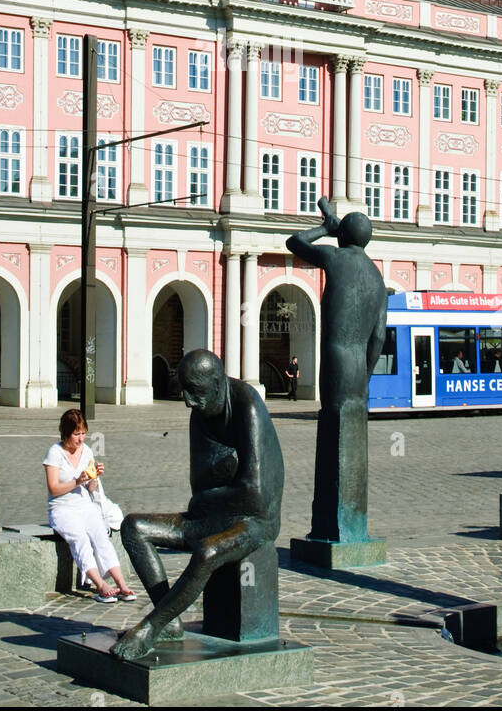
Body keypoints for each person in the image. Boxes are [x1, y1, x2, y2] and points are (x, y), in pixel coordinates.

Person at [112, 349, 284, 661]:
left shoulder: (247, 407)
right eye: (185, 393)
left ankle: (151, 627)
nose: (190, 402)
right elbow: (200, 483)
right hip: (213, 514)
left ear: (220, 384)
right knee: (133, 528)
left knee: (207, 552)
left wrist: (212, 494)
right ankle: (170, 621)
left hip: (255, 522)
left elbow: (256, 495)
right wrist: (219, 491)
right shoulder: (201, 415)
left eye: (197, 392)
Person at [285, 198, 386, 544]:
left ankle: (332, 527)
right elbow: (379, 337)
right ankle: (353, 526)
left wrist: (324, 229)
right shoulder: (375, 276)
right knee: (353, 433)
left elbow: (294, 241)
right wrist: (368, 373)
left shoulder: (335, 256)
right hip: (360, 367)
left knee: (333, 432)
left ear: (342, 236)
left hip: (337, 358)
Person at [44, 409, 135, 603]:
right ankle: (100, 585)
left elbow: (91, 487)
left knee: (101, 536)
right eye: (76, 434)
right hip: (62, 508)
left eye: (83, 433)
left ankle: (121, 584)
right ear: (66, 433)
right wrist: (77, 481)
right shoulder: (55, 452)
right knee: (80, 539)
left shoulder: (86, 451)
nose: (81, 438)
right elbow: (53, 488)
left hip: (84, 504)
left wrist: (94, 478)